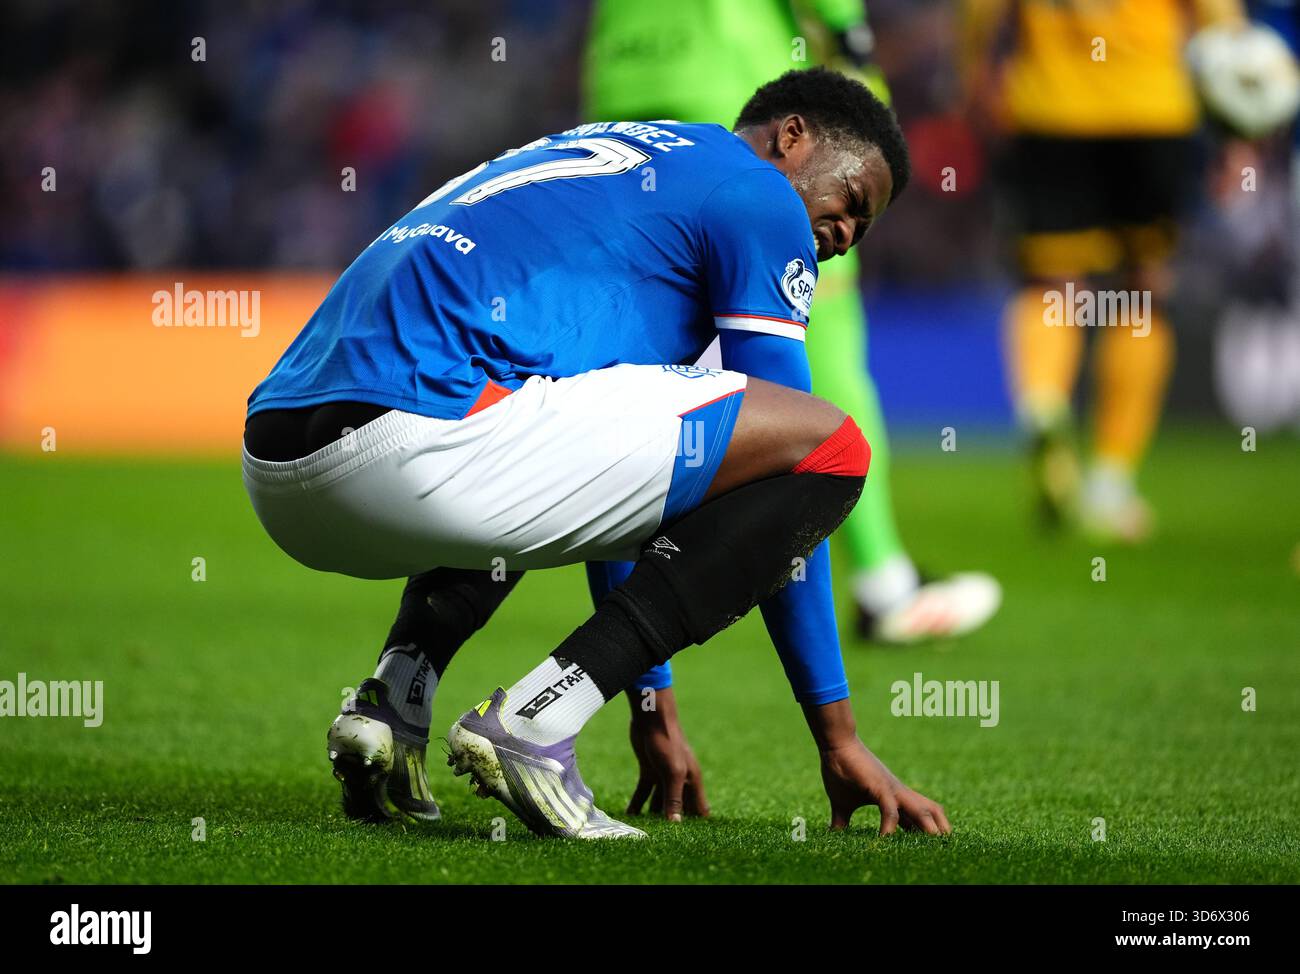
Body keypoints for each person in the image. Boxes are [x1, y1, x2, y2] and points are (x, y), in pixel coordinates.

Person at [243, 68, 950, 839]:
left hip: (281, 464)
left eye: (864, 230)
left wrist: (653, 705)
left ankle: (395, 700)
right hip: (413, 450)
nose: (847, 237)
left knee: (530, 411)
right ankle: (534, 726)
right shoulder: (758, 195)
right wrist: (837, 735)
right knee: (831, 446)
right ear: (791, 137)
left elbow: (604, 473)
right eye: (853, 202)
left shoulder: (608, 150)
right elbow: (798, 448)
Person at [585, 0, 1002, 645]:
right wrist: (847, 29)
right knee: (815, 335)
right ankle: (885, 581)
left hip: (624, 82)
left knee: (626, 340)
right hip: (731, 79)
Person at [961, 0, 1245, 541]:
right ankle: (1112, 479)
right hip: (1153, 108)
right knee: (1144, 290)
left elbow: (980, 15)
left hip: (1050, 107)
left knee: (1050, 283)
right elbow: (1222, 26)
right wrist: (1236, 130)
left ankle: (1044, 409)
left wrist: (976, 81)